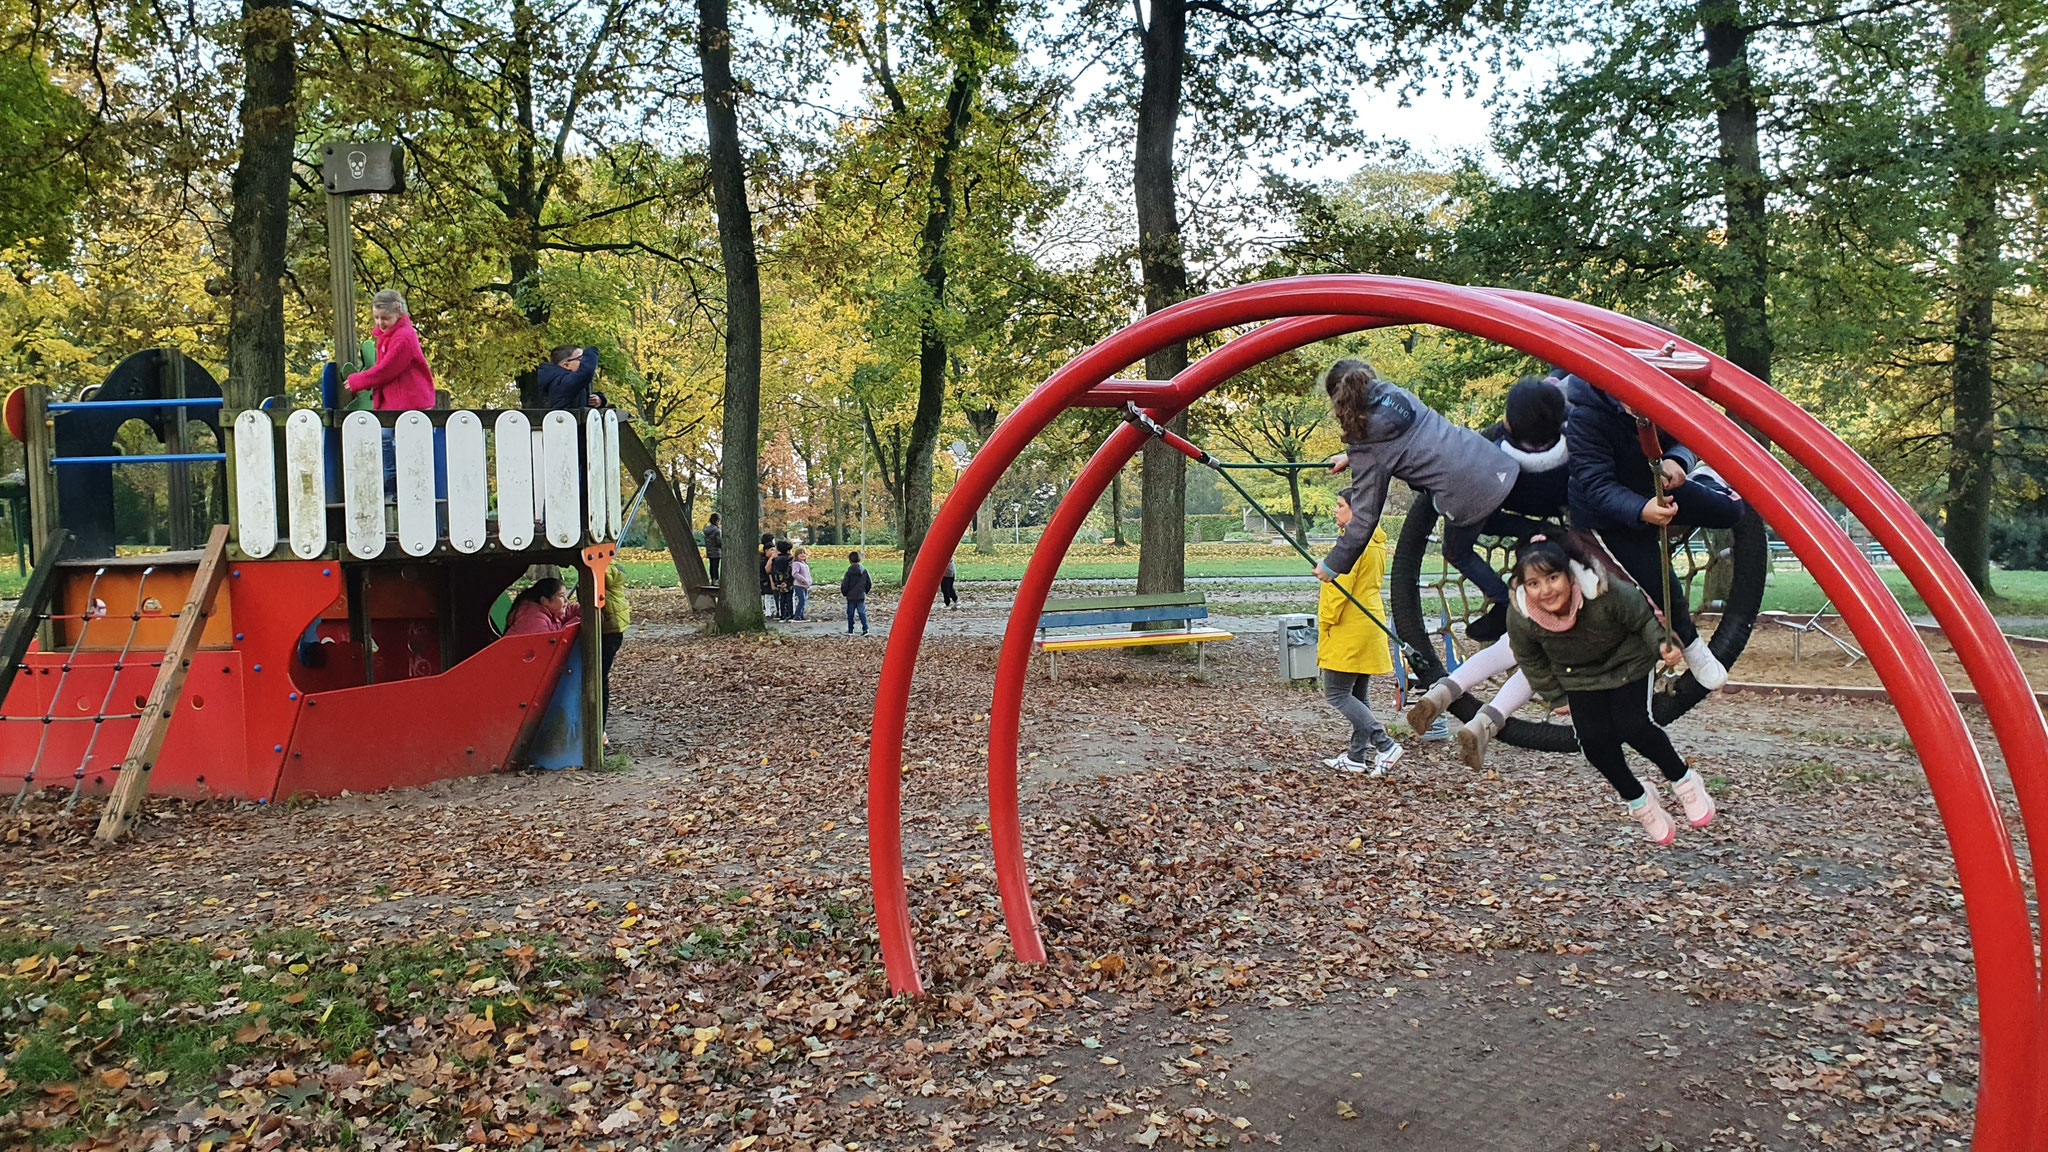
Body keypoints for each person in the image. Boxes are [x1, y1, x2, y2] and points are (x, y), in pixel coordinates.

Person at [1505, 534, 1717, 845]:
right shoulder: (1523, 617)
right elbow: (1529, 658)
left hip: (1627, 664)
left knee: (1633, 725)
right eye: (1534, 583)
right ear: (1523, 587)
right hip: (1578, 676)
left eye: (1553, 577)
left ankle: (1684, 780)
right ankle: (1639, 799)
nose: (1546, 590)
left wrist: (1663, 645)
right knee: (1592, 741)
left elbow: (1643, 620)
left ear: (1569, 573)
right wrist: (1555, 695)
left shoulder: (1603, 591)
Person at [1564, 370, 1743, 689]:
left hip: (1658, 484)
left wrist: (1679, 460)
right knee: (1660, 586)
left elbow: (1689, 438)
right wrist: (1640, 510)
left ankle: (1707, 479)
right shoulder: (1586, 416)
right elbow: (1595, 483)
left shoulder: (1666, 402)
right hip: (1610, 515)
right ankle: (1691, 644)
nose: (1640, 405)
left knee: (1730, 510)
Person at [1316, 359, 1519, 585]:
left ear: (1340, 402)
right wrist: (1351, 456)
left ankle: (1508, 604)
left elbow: (1364, 516)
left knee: (1456, 552)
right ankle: (1545, 531)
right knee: (1487, 519)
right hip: (1492, 462)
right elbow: (1403, 442)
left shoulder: (1365, 445)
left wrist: (1332, 564)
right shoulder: (1399, 396)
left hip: (1464, 491)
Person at [1446, 376, 1572, 643]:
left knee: (1458, 543)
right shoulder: (1574, 443)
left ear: (1511, 423)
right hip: (1561, 498)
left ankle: (1504, 602)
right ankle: (1549, 529)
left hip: (1512, 498)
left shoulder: (1499, 453)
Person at [1318, 494, 1400, 775]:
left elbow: (1337, 589)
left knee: (1337, 692)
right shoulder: (1374, 541)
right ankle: (1356, 756)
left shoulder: (1352, 544)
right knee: (1358, 694)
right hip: (1369, 621)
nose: (1335, 509)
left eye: (1340, 505)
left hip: (1349, 625)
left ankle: (1385, 744)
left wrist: (1326, 622)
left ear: (1357, 511)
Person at [344, 289, 436, 411]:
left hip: (407, 403)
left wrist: (358, 380)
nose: (380, 323)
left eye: (385, 318)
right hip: (394, 402)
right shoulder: (387, 335)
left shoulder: (403, 338)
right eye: (376, 317)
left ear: (399, 314)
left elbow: (387, 370)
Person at [600, 562, 630, 740]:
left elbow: (599, 574)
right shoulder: (612, 566)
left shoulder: (607, 568)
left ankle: (600, 727)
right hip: (612, 627)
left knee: (600, 676)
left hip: (611, 629)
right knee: (600, 676)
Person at [505, 577, 580, 635]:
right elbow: (550, 645)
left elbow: (570, 610)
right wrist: (573, 624)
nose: (566, 600)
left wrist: (588, 611)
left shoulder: (554, 611)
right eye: (561, 596)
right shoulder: (534, 619)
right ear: (544, 601)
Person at [538, 345, 603, 410]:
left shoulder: (570, 381)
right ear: (566, 365)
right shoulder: (560, 382)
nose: (584, 362)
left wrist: (599, 400)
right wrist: (592, 350)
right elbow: (587, 372)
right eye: (581, 359)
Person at [841, 550, 873, 635]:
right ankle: (865, 629)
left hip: (851, 596)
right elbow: (869, 583)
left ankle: (851, 629)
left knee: (850, 613)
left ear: (850, 560)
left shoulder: (849, 572)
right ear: (860, 560)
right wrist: (865, 591)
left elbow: (845, 584)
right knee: (862, 612)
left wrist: (845, 592)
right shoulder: (864, 571)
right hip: (860, 595)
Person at [770, 540, 795, 621]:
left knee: (781, 598)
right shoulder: (790, 559)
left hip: (779, 581)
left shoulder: (775, 560)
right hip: (788, 582)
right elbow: (790, 571)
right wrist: (788, 582)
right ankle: (790, 613)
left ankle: (782, 614)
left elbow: (774, 572)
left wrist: (776, 582)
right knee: (789, 598)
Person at [791, 546, 814, 620]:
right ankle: (797, 615)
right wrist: (804, 580)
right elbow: (795, 574)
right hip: (799, 585)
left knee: (804, 601)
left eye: (804, 553)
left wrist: (810, 581)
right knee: (802, 600)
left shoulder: (805, 564)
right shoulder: (796, 564)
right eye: (800, 553)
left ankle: (801, 614)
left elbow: (808, 574)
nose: (802, 554)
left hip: (805, 585)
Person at [759, 533, 776, 618]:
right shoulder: (763, 560)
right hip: (765, 579)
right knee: (767, 595)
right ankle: (768, 611)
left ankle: (774, 610)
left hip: (771, 579)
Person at [704, 512, 723, 582]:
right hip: (716, 551)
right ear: (717, 520)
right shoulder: (717, 531)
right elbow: (719, 542)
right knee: (716, 566)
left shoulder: (706, 530)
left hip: (709, 551)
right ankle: (716, 580)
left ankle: (713, 579)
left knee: (712, 566)